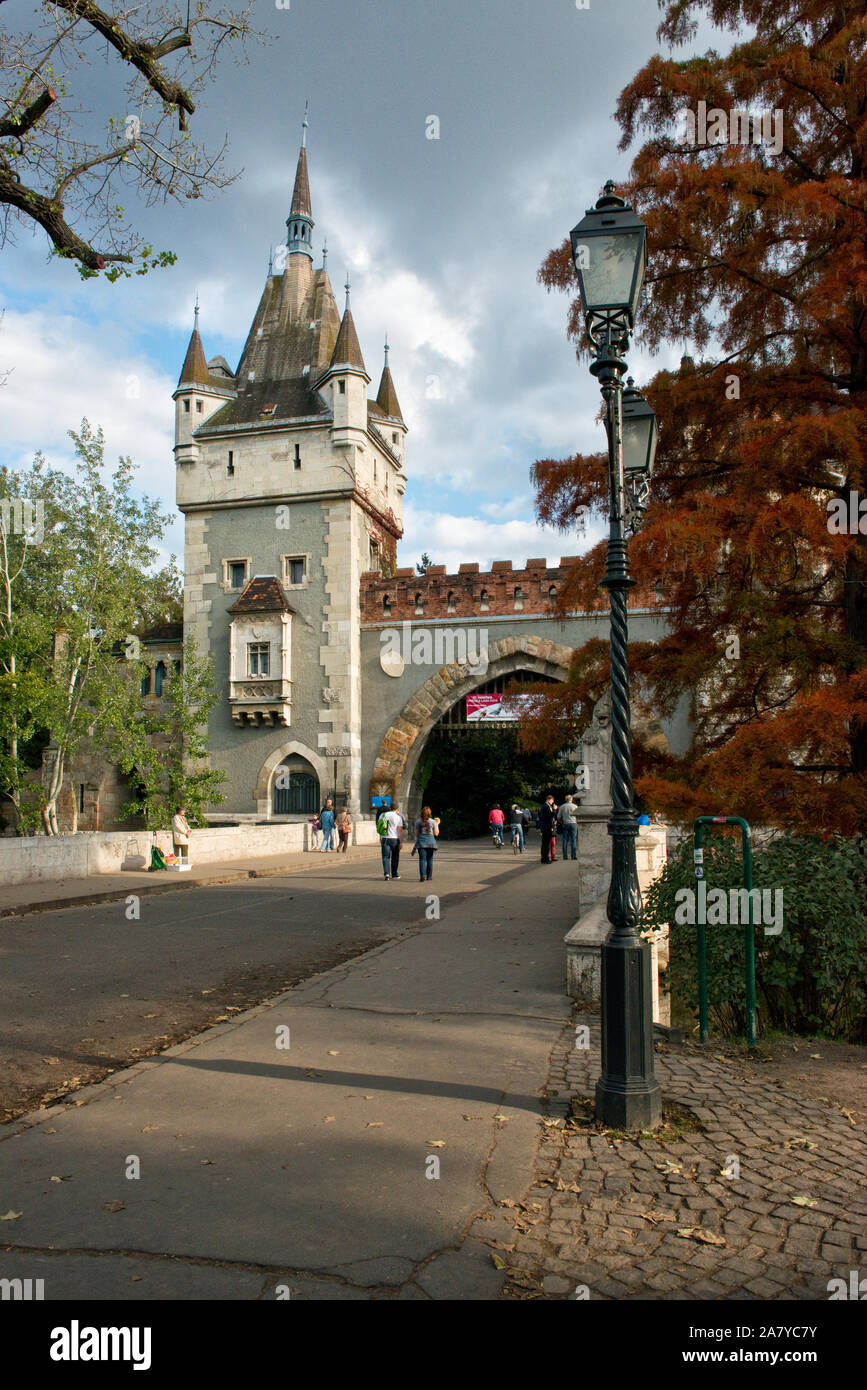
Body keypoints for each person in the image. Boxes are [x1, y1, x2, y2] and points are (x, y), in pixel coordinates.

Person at [414, 805, 439, 881]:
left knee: (422, 859)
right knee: (430, 859)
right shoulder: (433, 821)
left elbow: (416, 833)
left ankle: (422, 875)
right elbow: (436, 833)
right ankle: (429, 876)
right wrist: (437, 824)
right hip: (431, 843)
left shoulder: (418, 821)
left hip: (421, 842)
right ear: (429, 813)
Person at [381, 801, 405, 880]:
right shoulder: (398, 817)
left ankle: (387, 873)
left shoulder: (383, 815)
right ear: (397, 808)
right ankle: (394, 874)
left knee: (385, 857)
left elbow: (380, 827)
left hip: (385, 838)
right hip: (394, 838)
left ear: (390, 808)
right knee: (395, 857)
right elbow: (400, 830)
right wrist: (401, 842)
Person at [557, 794, 579, 861]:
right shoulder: (575, 806)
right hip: (573, 823)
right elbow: (578, 815)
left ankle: (565, 856)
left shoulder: (562, 806)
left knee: (565, 840)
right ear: (571, 799)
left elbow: (558, 817)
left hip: (565, 824)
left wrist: (561, 821)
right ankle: (573, 855)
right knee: (573, 840)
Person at [538, 795, 558, 864]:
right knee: (546, 843)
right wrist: (555, 809)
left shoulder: (545, 806)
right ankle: (545, 858)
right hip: (546, 827)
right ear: (549, 800)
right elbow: (550, 815)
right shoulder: (546, 806)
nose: (552, 802)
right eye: (552, 801)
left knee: (545, 843)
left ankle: (544, 858)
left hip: (545, 826)